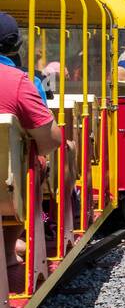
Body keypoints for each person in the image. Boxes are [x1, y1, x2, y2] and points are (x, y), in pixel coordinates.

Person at [0, 15, 66, 292]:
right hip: (4, 190)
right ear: (15, 45)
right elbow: (50, 141)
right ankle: (9, 253)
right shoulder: (17, 81)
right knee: (36, 164)